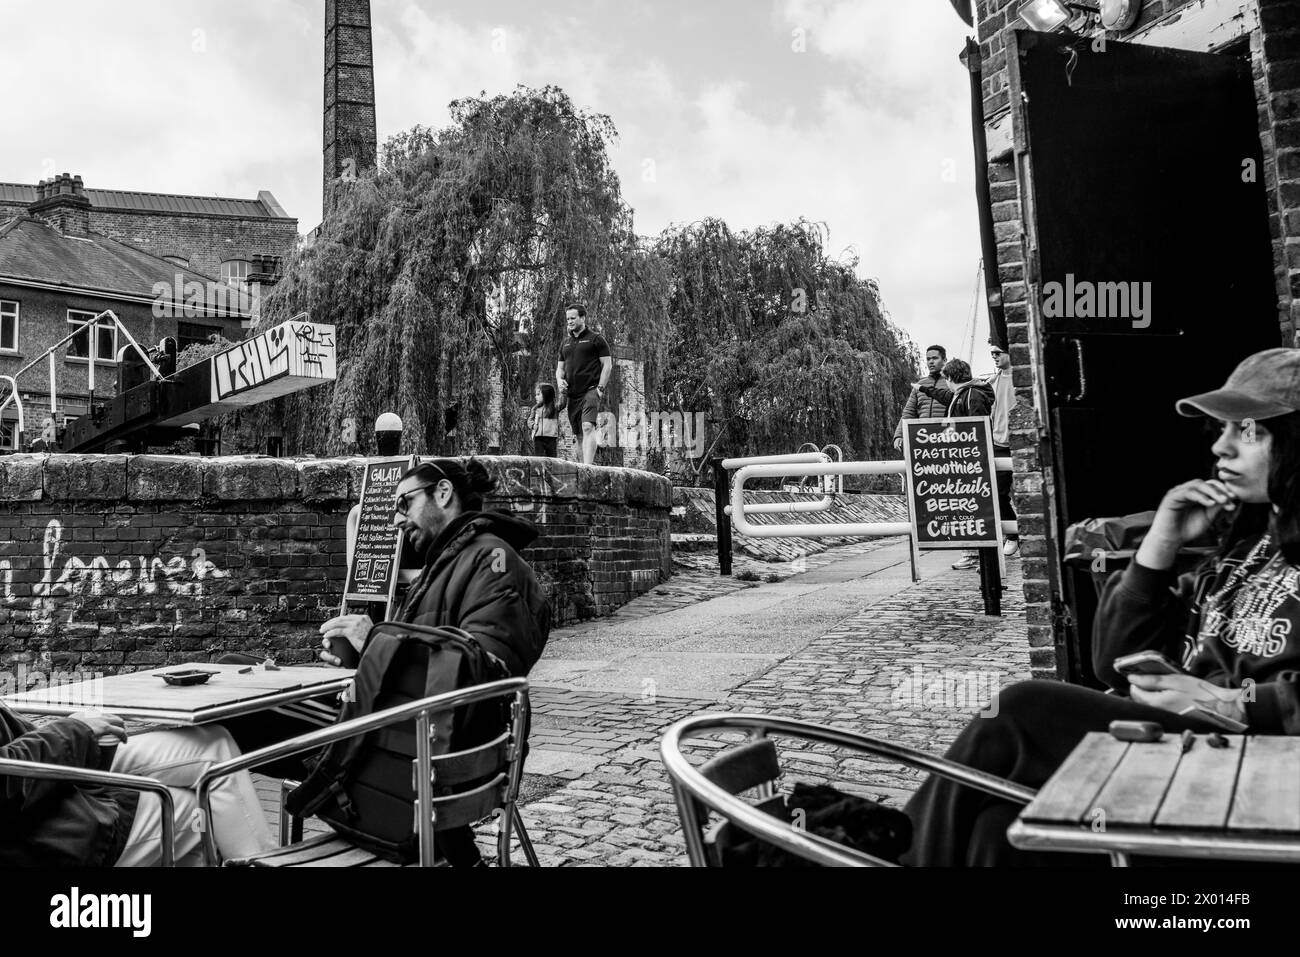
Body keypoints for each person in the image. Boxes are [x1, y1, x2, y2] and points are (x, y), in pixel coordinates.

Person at [902, 348, 1300, 866]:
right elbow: (1112, 659)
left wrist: (1234, 702)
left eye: (1246, 431)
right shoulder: (1248, 544)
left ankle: (884, 850)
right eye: (1221, 430)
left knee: (1021, 708)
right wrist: (1160, 544)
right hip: (1187, 743)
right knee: (997, 831)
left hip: (1259, 759)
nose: (1221, 448)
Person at [0, 703, 274, 866]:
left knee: (213, 744)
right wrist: (74, 731)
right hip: (42, 827)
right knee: (198, 811)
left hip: (45, 763)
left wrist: (71, 729)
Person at [921, 358, 995, 571]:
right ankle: (972, 553)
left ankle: (983, 557)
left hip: (969, 460)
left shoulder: (973, 395)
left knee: (976, 509)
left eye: (947, 378)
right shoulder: (963, 394)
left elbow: (976, 427)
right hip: (962, 460)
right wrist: (926, 389)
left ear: (952, 377)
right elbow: (947, 398)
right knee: (965, 509)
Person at [556, 304, 612, 465]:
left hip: (591, 390)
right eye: (568, 319)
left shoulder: (596, 339)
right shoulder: (565, 343)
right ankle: (582, 469)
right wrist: (560, 381)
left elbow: (607, 365)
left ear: (582, 318)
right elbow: (559, 369)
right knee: (579, 435)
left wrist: (600, 388)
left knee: (588, 426)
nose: (570, 321)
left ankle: (588, 467)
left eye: (573, 318)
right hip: (572, 394)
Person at [988, 341, 1019, 558]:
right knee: (998, 494)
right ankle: (1014, 534)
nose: (995, 357)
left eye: (998, 353)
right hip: (999, 444)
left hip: (1019, 443)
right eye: (992, 354)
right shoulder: (992, 381)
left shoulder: (1020, 379)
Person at [893, 345, 950, 452]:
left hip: (947, 437)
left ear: (945, 360)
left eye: (935, 358)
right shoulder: (920, 384)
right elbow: (909, 412)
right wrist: (899, 435)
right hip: (923, 437)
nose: (931, 362)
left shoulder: (951, 383)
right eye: (928, 359)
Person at [530, 383, 566, 458]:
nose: (535, 397)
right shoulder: (535, 409)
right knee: (539, 458)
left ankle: (551, 470)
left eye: (538, 394)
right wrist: (533, 425)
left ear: (546, 395)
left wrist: (563, 392)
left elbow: (562, 403)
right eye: (536, 394)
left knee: (552, 458)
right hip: (538, 438)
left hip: (551, 439)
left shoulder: (554, 408)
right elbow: (530, 420)